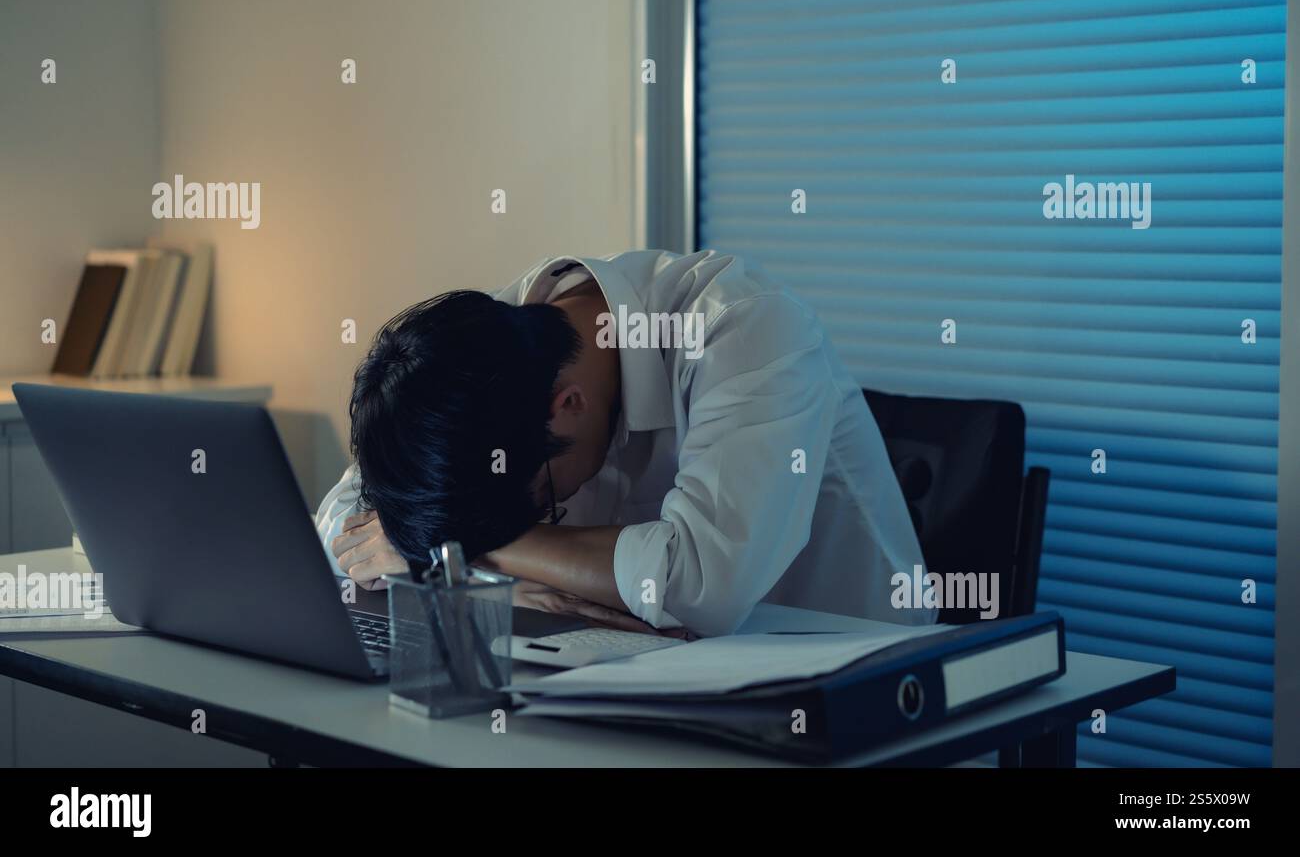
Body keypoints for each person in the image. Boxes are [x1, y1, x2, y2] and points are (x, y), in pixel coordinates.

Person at [315, 250, 934, 637]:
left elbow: (702, 585)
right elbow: (343, 521)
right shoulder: (486, 346)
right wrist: (455, 541)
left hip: (845, 674)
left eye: (536, 503)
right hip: (638, 668)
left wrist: (467, 547)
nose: (529, 520)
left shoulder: (745, 326)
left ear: (568, 407)